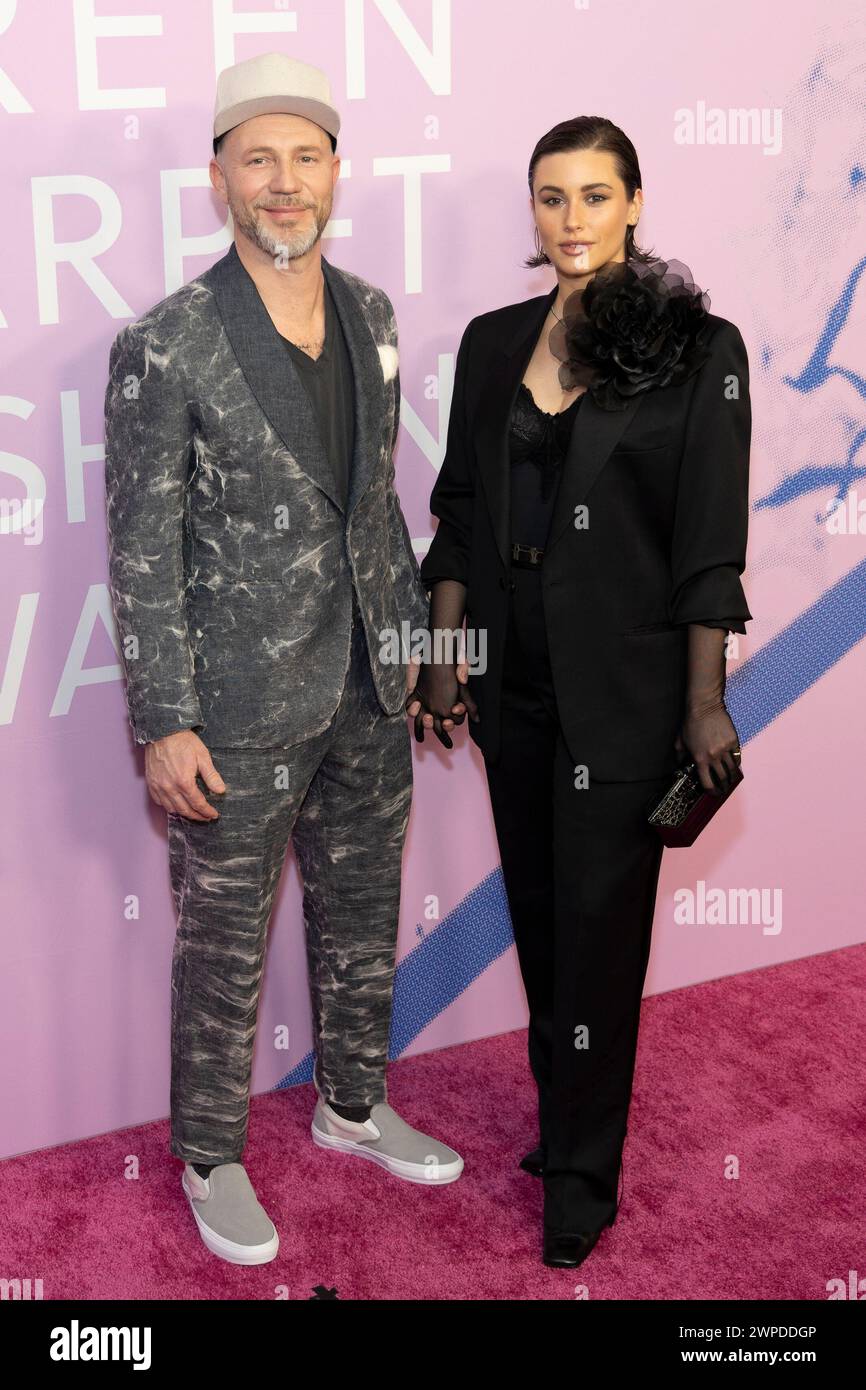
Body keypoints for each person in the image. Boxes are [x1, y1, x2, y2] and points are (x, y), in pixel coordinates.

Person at [104, 52, 462, 1268]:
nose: (283, 181)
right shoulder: (166, 341)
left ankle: (350, 1103)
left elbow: (377, 509)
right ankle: (210, 1154)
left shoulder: (370, 311)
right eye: (257, 158)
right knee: (223, 947)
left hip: (370, 679)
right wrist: (164, 718)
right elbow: (141, 544)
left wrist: (420, 655)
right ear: (219, 179)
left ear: (335, 173)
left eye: (304, 157)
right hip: (240, 708)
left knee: (362, 917)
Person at [408, 116, 751, 1269]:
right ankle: (564, 1117)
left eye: (595, 196)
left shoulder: (699, 347)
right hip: (512, 683)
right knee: (546, 921)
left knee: (599, 936)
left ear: (635, 202)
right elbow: (458, 511)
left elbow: (708, 543)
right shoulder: (494, 339)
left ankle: (580, 1178)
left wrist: (703, 700)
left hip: (626, 686)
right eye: (551, 197)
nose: (571, 220)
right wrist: (440, 652)